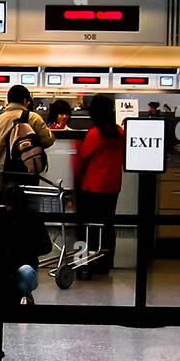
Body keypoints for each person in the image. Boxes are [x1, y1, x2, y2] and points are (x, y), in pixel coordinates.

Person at [74, 94, 125, 278]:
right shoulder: (120, 133)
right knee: (107, 225)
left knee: (85, 227)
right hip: (112, 187)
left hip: (92, 187)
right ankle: (105, 263)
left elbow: (82, 160)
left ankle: (82, 263)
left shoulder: (94, 134)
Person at [0, 84, 55, 181]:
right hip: (27, 171)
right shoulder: (33, 118)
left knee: (5, 195)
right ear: (25, 101)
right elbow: (48, 140)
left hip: (2, 173)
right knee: (28, 195)